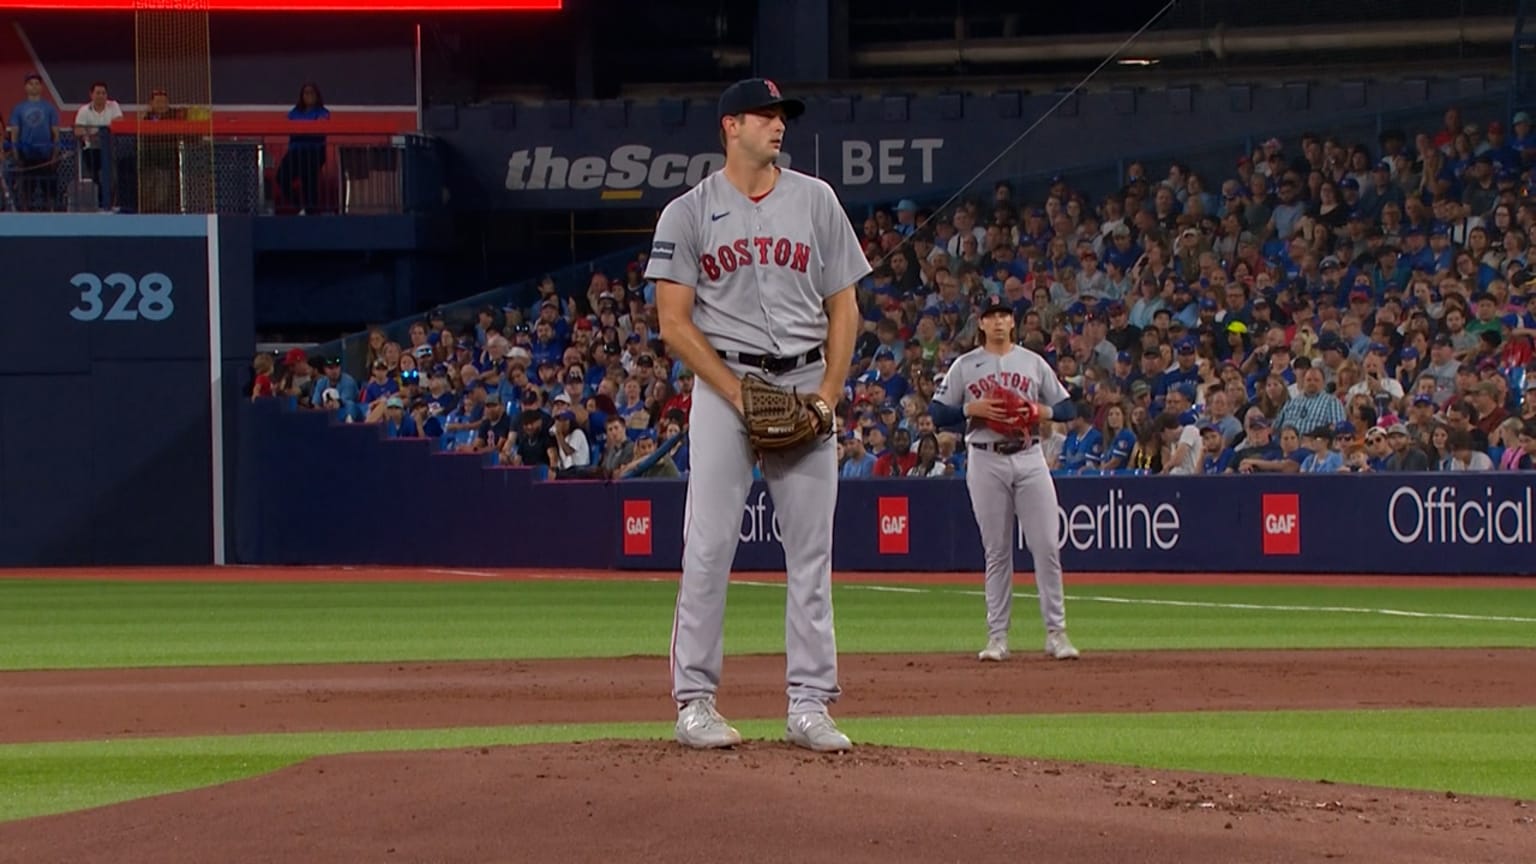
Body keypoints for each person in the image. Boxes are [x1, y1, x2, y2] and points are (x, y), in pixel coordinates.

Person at [644, 78, 869, 753]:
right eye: (765, 116)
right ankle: (695, 702)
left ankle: (809, 704)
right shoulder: (688, 212)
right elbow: (674, 323)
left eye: (782, 117)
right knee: (709, 547)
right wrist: (739, 395)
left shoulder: (817, 201)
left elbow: (845, 307)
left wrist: (828, 393)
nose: (778, 127)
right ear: (729, 126)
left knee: (811, 555)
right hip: (724, 386)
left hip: (804, 383)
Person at [927, 294, 1080, 663]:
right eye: (991, 316)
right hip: (985, 457)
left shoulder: (1032, 362)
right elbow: (937, 413)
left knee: (1046, 546)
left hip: (1029, 456)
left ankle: (1056, 634)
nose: (998, 322)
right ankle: (998, 637)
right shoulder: (966, 365)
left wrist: (1037, 409)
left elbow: (1068, 406)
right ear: (980, 323)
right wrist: (969, 409)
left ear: (1013, 322)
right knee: (996, 552)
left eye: (1004, 316)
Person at [277, 82, 329, 214]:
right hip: (296, 151)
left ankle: (311, 212)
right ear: (301, 96)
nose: (309, 95)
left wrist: (303, 131)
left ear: (317, 95)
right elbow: (290, 126)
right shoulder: (294, 112)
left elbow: (319, 130)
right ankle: (299, 206)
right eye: (306, 92)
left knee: (308, 180)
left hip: (314, 152)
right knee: (281, 177)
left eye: (312, 92)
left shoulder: (323, 112)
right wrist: (306, 130)